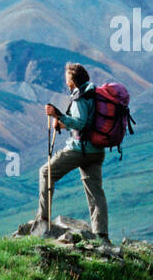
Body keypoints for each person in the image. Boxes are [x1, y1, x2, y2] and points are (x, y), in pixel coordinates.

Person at [38, 63, 109, 239]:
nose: (65, 80)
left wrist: (58, 115)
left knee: (46, 172)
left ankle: (42, 221)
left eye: (67, 77)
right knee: (95, 192)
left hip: (79, 150)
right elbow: (87, 122)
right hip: (96, 151)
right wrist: (62, 122)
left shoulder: (80, 97)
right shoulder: (94, 93)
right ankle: (101, 234)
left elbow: (80, 122)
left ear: (73, 80)